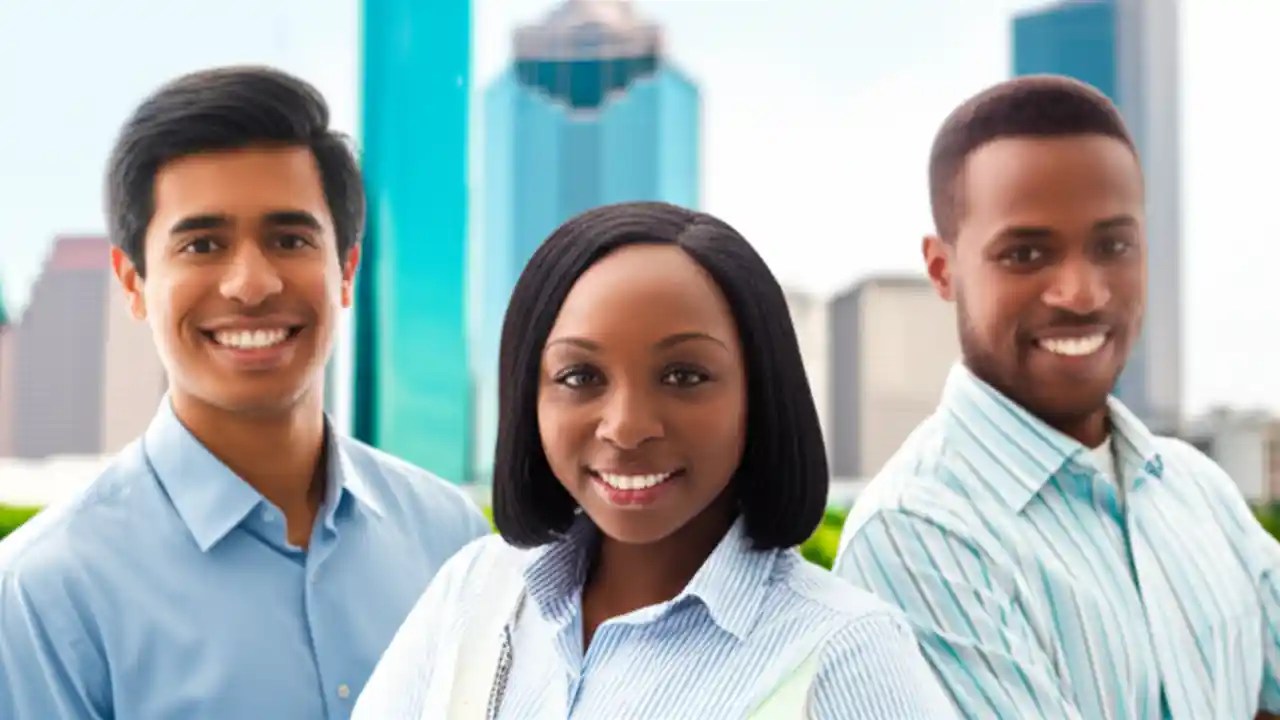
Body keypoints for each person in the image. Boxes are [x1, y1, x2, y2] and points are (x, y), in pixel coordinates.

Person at [0, 66, 490, 719]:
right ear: (133, 283)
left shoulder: (447, 536)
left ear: (345, 269)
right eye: (202, 244)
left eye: (289, 240)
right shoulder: (42, 592)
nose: (251, 284)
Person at [352, 201, 956, 719]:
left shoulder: (846, 651)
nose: (628, 427)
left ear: (759, 392)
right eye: (580, 375)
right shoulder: (476, 588)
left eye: (684, 375)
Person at [833, 74, 1280, 720]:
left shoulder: (1199, 493)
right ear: (942, 269)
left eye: (1114, 246)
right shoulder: (914, 536)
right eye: (1026, 253)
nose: (1082, 292)